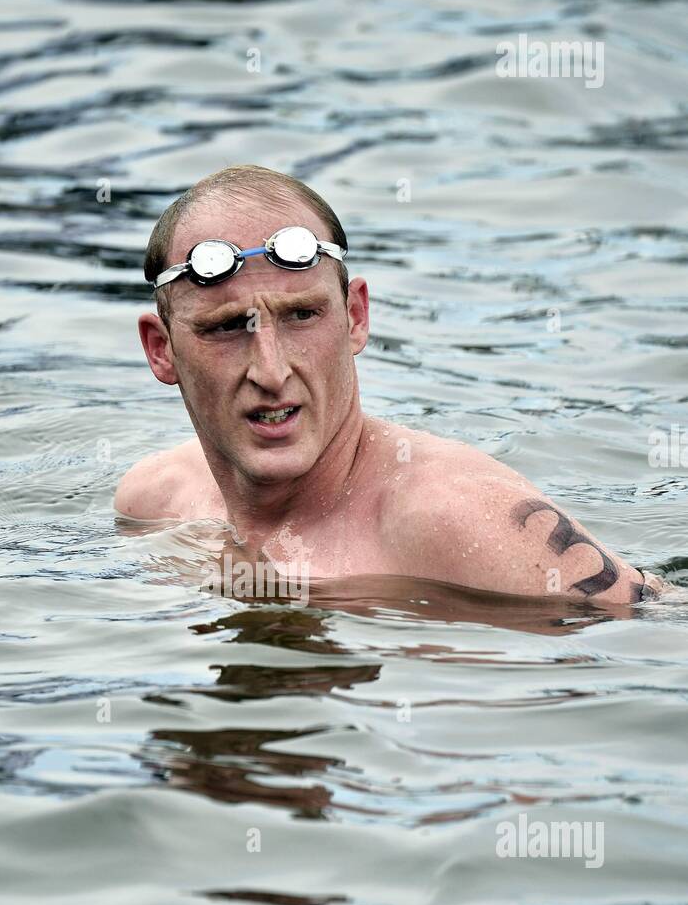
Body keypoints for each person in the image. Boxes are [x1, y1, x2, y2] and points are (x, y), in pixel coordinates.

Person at [116, 164, 664, 605]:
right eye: (227, 327)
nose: (271, 371)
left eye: (302, 316)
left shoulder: (459, 521)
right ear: (160, 350)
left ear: (356, 317)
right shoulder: (154, 502)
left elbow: (656, 641)